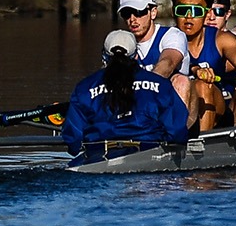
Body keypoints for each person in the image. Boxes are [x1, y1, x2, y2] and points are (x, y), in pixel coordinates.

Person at [62, 29, 190, 165]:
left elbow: (72, 140)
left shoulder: (83, 88)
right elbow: (177, 131)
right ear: (136, 56)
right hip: (149, 157)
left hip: (97, 159)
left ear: (104, 57)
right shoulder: (161, 85)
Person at [171, 0, 236, 131]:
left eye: (196, 11)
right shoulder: (165, 39)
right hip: (178, 106)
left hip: (215, 106)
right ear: (174, 12)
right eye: (182, 10)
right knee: (200, 84)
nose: (188, 17)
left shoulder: (221, 39)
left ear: (206, 14)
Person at [116, 0, 191, 106]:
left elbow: (168, 63)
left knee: (181, 81)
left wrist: (145, 88)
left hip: (172, 104)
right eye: (127, 13)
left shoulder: (172, 35)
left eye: (138, 12)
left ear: (153, 12)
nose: (133, 19)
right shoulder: (123, 43)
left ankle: (178, 126)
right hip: (140, 107)